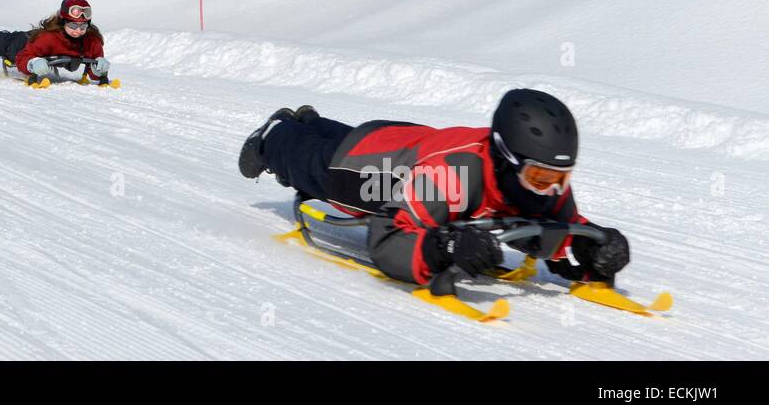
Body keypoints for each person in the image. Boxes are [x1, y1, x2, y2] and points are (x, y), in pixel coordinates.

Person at [237, 88, 630, 287]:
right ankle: (278, 133)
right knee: (314, 165)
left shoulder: (537, 177)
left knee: (338, 139)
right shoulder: (453, 175)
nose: (551, 191)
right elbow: (386, 240)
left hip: (415, 144)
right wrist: (442, 247)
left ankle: (312, 121)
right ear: (507, 159)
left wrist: (588, 245)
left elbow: (556, 222)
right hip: (373, 167)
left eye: (560, 179)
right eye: (540, 179)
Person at [0, 0, 110, 83]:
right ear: (62, 22)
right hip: (26, 45)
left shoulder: (92, 40)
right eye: (73, 25)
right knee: (11, 45)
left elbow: (93, 74)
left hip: (46, 50)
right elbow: (22, 58)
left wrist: (98, 70)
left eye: (83, 26)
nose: (78, 31)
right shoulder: (48, 38)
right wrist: (31, 64)